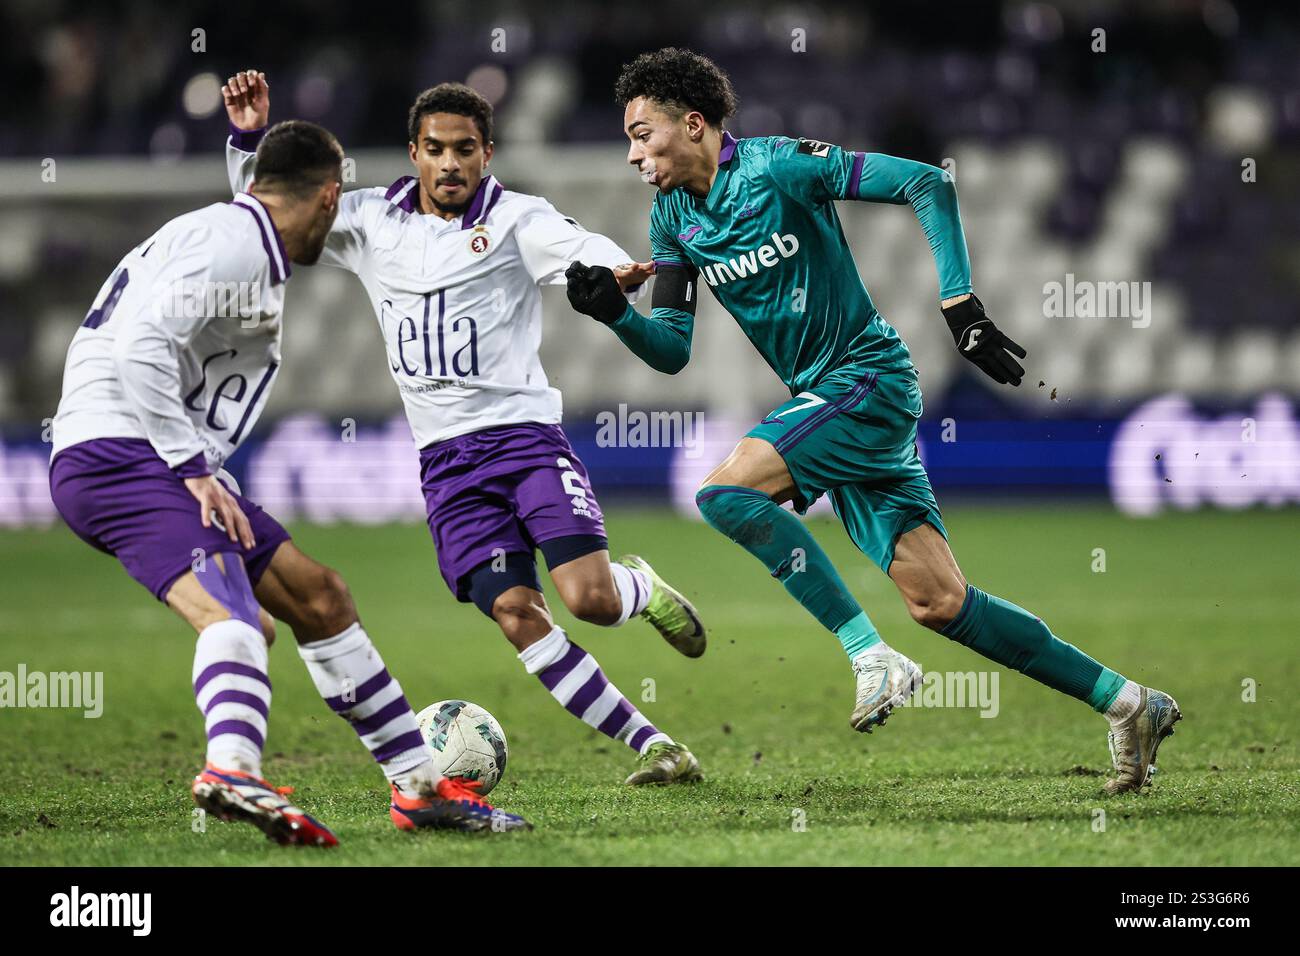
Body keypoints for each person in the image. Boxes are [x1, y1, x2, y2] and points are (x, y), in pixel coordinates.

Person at [49, 119, 530, 844]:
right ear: (329, 199)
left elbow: (261, 193)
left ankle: (421, 790)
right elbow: (144, 345)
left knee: (319, 596)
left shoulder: (237, 230)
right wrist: (189, 468)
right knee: (236, 621)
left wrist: (245, 139)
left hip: (141, 451)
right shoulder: (234, 242)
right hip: (123, 453)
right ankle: (231, 769)